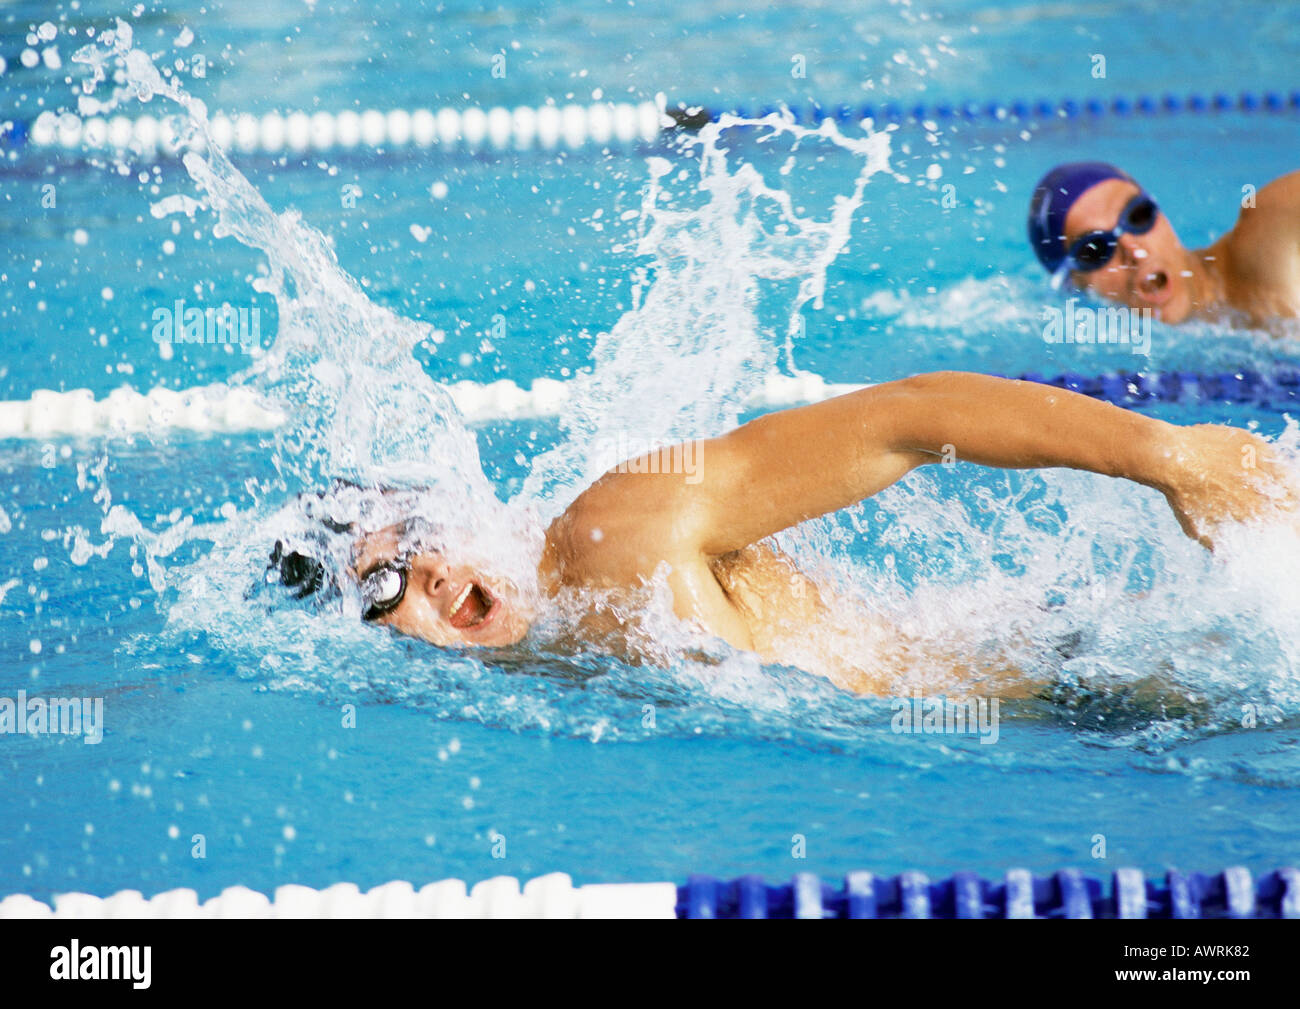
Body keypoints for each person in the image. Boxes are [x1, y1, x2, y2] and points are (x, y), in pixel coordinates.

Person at [273, 372, 1297, 696]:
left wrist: (1171, 456)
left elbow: (906, 415)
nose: (434, 573)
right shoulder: (549, 657)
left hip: (1116, 680)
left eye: (419, 536)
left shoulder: (609, 534)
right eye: (382, 587)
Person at [1027, 162, 1300, 325]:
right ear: (1074, 285)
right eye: (1095, 248)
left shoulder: (1271, 231)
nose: (1134, 250)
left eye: (1138, 215)